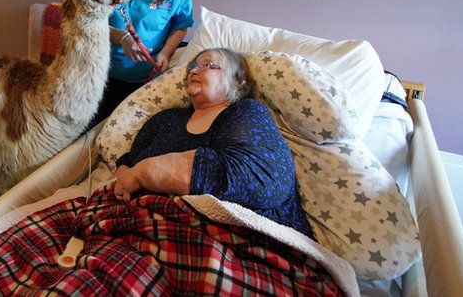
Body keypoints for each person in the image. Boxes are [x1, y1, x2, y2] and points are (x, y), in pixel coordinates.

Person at [113, 47, 315, 238]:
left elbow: (264, 181)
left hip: (243, 242)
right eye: (192, 66)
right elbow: (130, 163)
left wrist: (149, 171)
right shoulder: (165, 119)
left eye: (208, 64)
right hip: (141, 226)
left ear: (235, 80)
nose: (193, 70)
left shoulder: (247, 112)